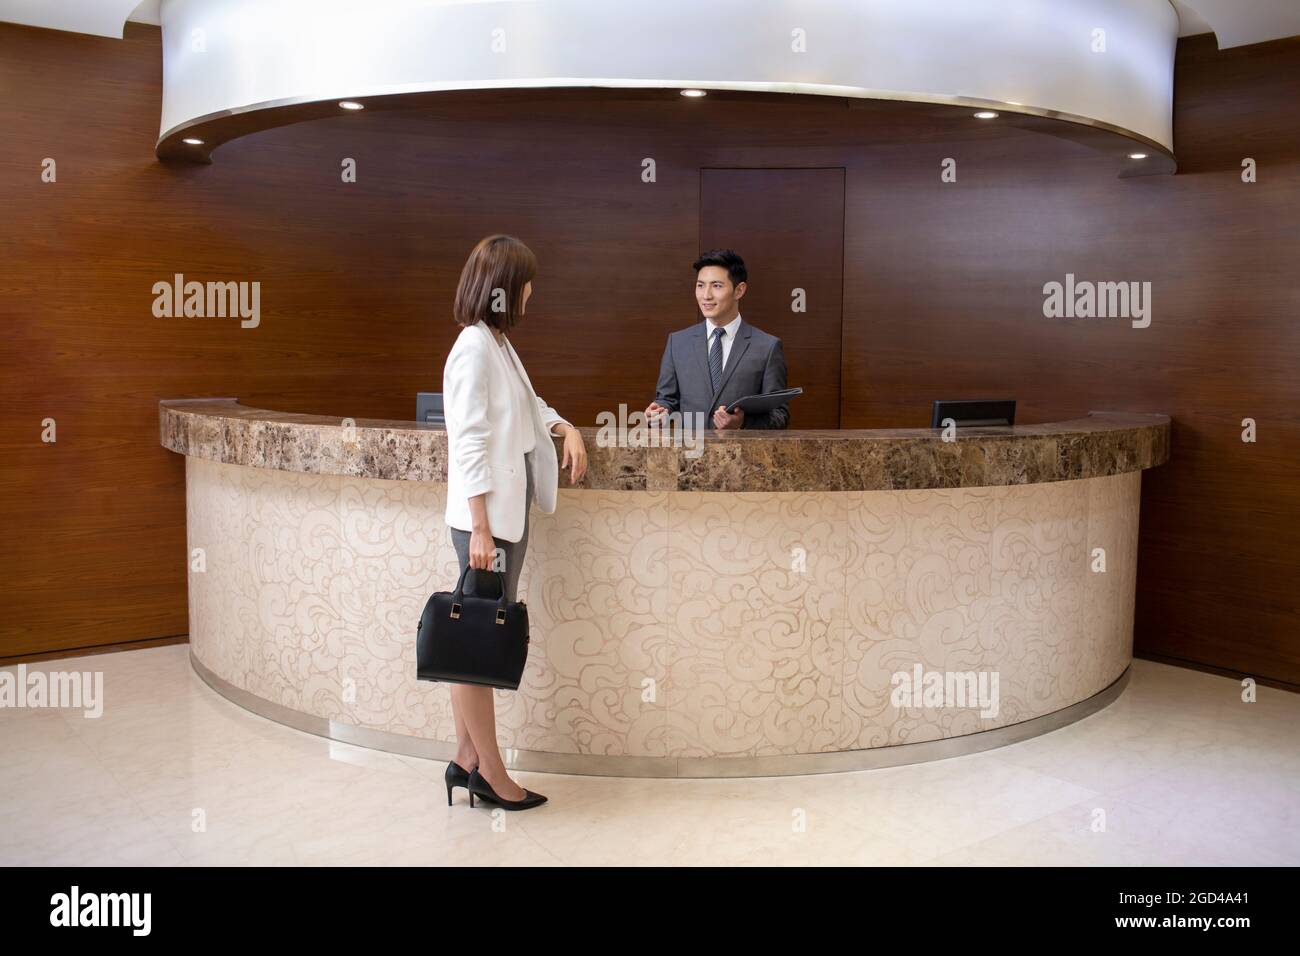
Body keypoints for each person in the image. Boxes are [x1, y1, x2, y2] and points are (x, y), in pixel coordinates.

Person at [440, 234, 587, 811]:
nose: (532, 291)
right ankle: (494, 776)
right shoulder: (472, 348)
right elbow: (468, 444)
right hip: (487, 525)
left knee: (476, 637)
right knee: (475, 647)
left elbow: (530, 406)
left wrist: (565, 427)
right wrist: (478, 526)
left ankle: (464, 759)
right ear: (505, 288)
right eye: (526, 282)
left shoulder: (497, 343)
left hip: (502, 521)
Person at [646, 248, 790, 430]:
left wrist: (742, 422)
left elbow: (780, 415)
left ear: (739, 290)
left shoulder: (767, 347)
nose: (706, 295)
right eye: (700, 285)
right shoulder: (677, 342)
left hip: (741, 456)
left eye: (717, 286)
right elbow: (667, 400)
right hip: (689, 455)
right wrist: (658, 413)